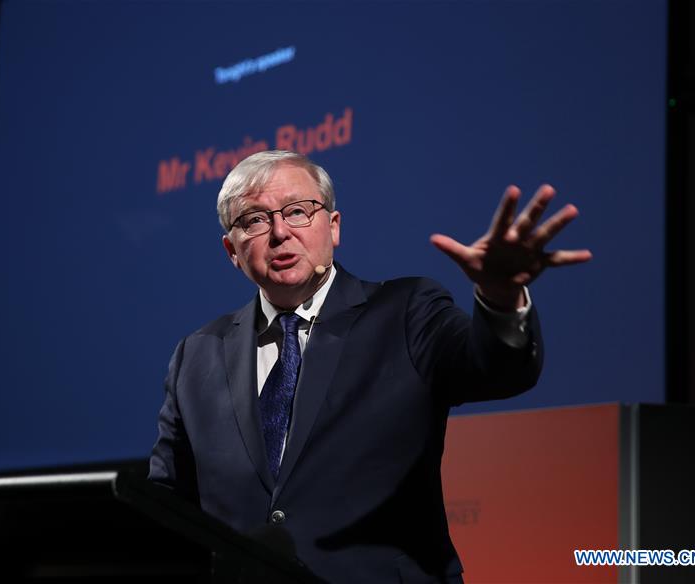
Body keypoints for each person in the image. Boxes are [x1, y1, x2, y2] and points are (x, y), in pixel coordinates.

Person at [149, 150, 591, 583]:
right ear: (232, 249)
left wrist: (498, 299)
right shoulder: (197, 355)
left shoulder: (407, 312)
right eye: (254, 221)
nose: (280, 232)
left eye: (298, 211)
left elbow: (495, 368)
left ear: (334, 227)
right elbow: (165, 504)